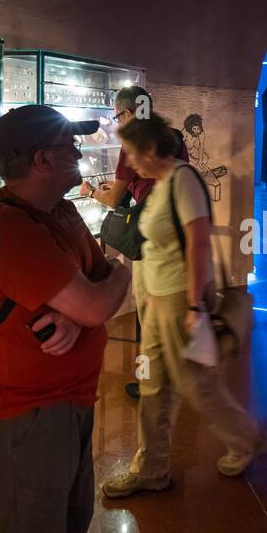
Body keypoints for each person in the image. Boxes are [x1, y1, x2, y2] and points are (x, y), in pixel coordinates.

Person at [0, 104, 132, 533]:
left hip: (63, 408)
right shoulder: (6, 230)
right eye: (68, 145)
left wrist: (90, 305)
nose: (79, 151)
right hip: (20, 420)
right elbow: (101, 298)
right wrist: (95, 301)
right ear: (42, 160)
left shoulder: (62, 213)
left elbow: (102, 284)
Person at [99, 112, 267, 498]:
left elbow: (199, 243)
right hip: (160, 299)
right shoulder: (158, 183)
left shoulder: (183, 180)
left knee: (195, 384)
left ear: (152, 149)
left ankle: (247, 439)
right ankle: (151, 469)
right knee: (153, 385)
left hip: (178, 299)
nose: (128, 159)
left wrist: (193, 306)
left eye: (131, 151)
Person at [77, 86, 187, 400]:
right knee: (165, 312)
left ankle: (151, 383)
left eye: (116, 117)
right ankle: (172, 374)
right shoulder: (173, 136)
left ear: (126, 112)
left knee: (148, 314)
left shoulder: (133, 144)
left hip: (147, 234)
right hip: (174, 235)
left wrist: (91, 192)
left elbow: (114, 199)